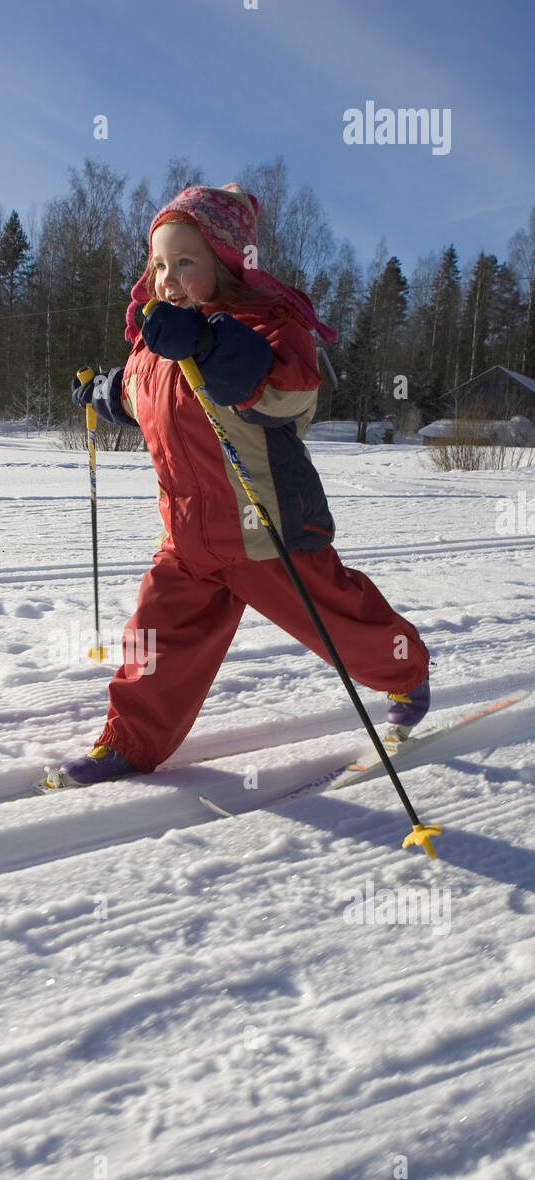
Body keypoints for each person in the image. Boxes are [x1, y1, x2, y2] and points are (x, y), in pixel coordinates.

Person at [45, 183, 430, 789]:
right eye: (160, 265)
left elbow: (287, 394)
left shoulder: (267, 329)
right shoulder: (153, 351)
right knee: (156, 638)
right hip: (187, 542)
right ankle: (129, 742)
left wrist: (205, 342)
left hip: (265, 530)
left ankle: (405, 674)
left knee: (338, 622)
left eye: (186, 263)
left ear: (226, 262)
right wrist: (100, 390)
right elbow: (134, 395)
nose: (168, 278)